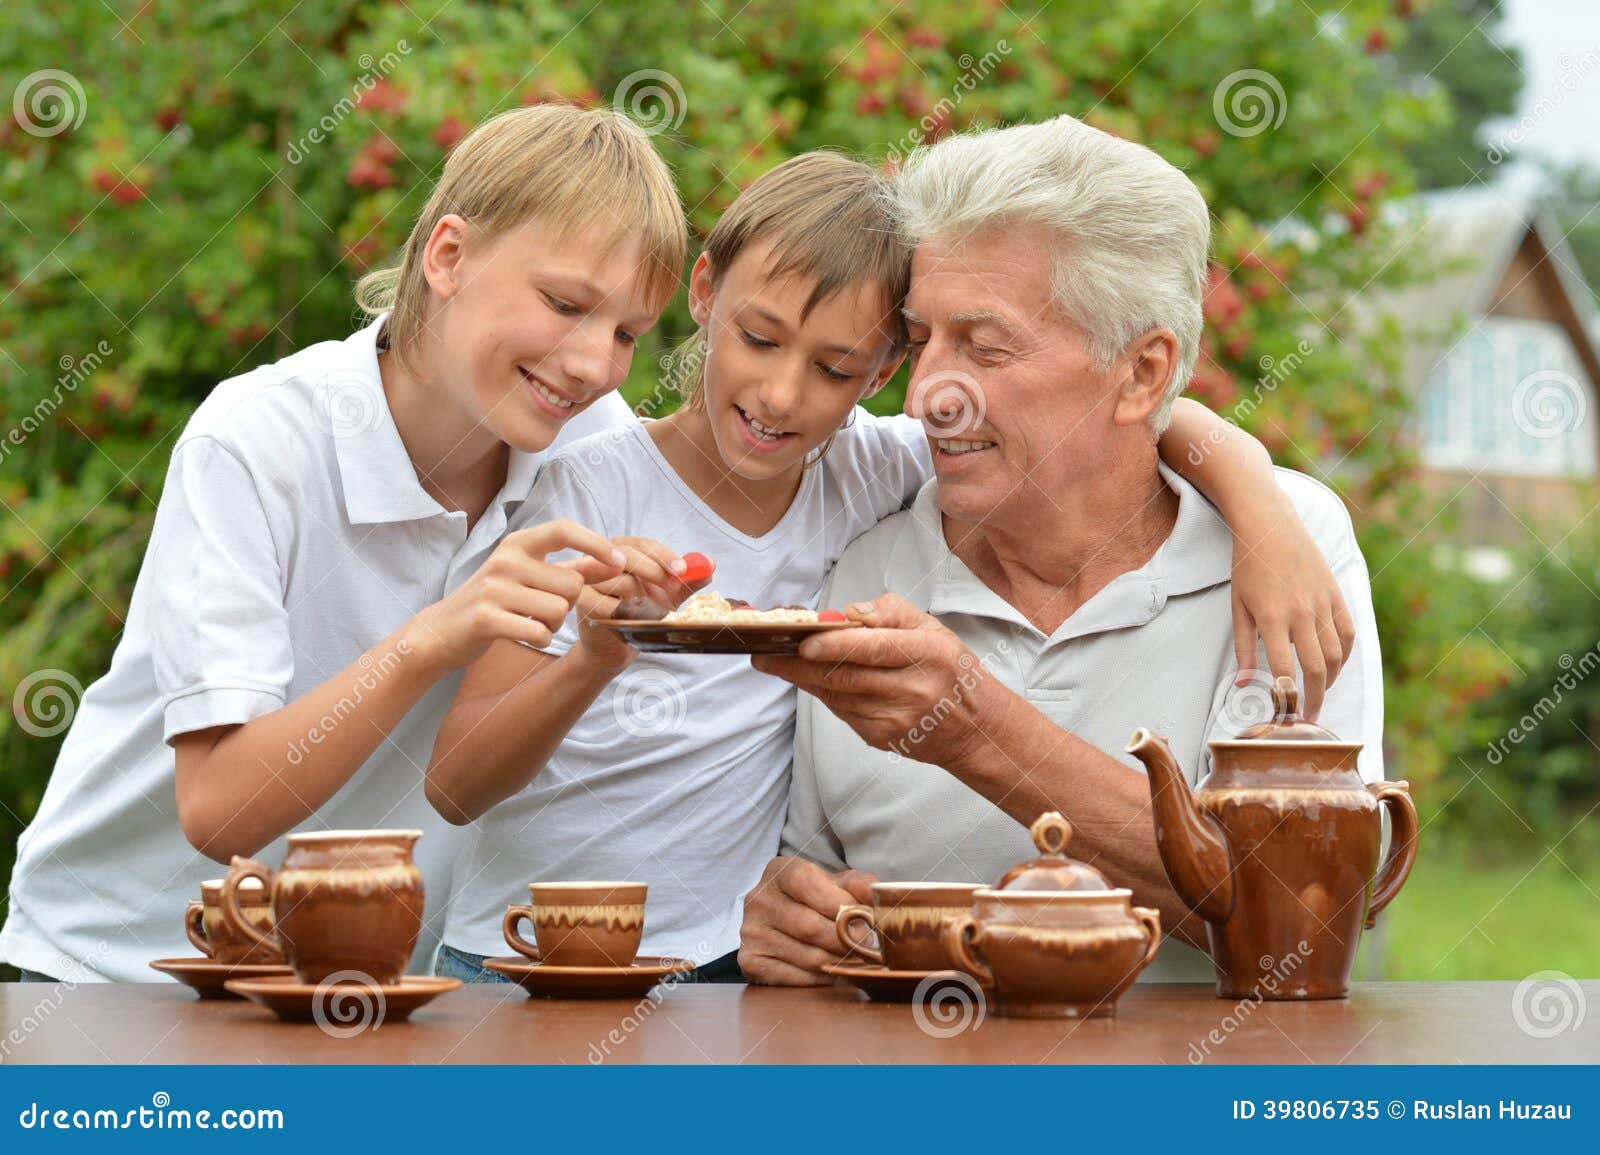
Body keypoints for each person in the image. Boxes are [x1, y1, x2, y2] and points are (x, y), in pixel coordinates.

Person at [424, 151, 1351, 983]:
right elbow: (456, 782)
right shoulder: (598, 492)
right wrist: (596, 650)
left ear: (876, 372)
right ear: (704, 291)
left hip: (713, 972)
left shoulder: (874, 468)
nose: (783, 395)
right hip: (527, 955)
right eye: (758, 338)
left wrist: (1258, 504)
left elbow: (1123, 429)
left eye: (838, 368)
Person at [1, 105, 686, 982]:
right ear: (448, 256)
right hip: (116, 970)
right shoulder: (255, 440)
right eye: (564, 304)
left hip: (361, 978)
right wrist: (433, 635)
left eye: (627, 332)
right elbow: (216, 810)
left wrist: (605, 643)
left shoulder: (590, 444)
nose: (594, 364)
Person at [740, 115, 1382, 986]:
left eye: (985, 346)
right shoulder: (864, 548)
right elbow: (805, 868)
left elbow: (1294, 916)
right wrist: (786, 913)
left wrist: (975, 727)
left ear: (1144, 372)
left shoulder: (1282, 552)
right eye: (921, 339)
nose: (927, 394)